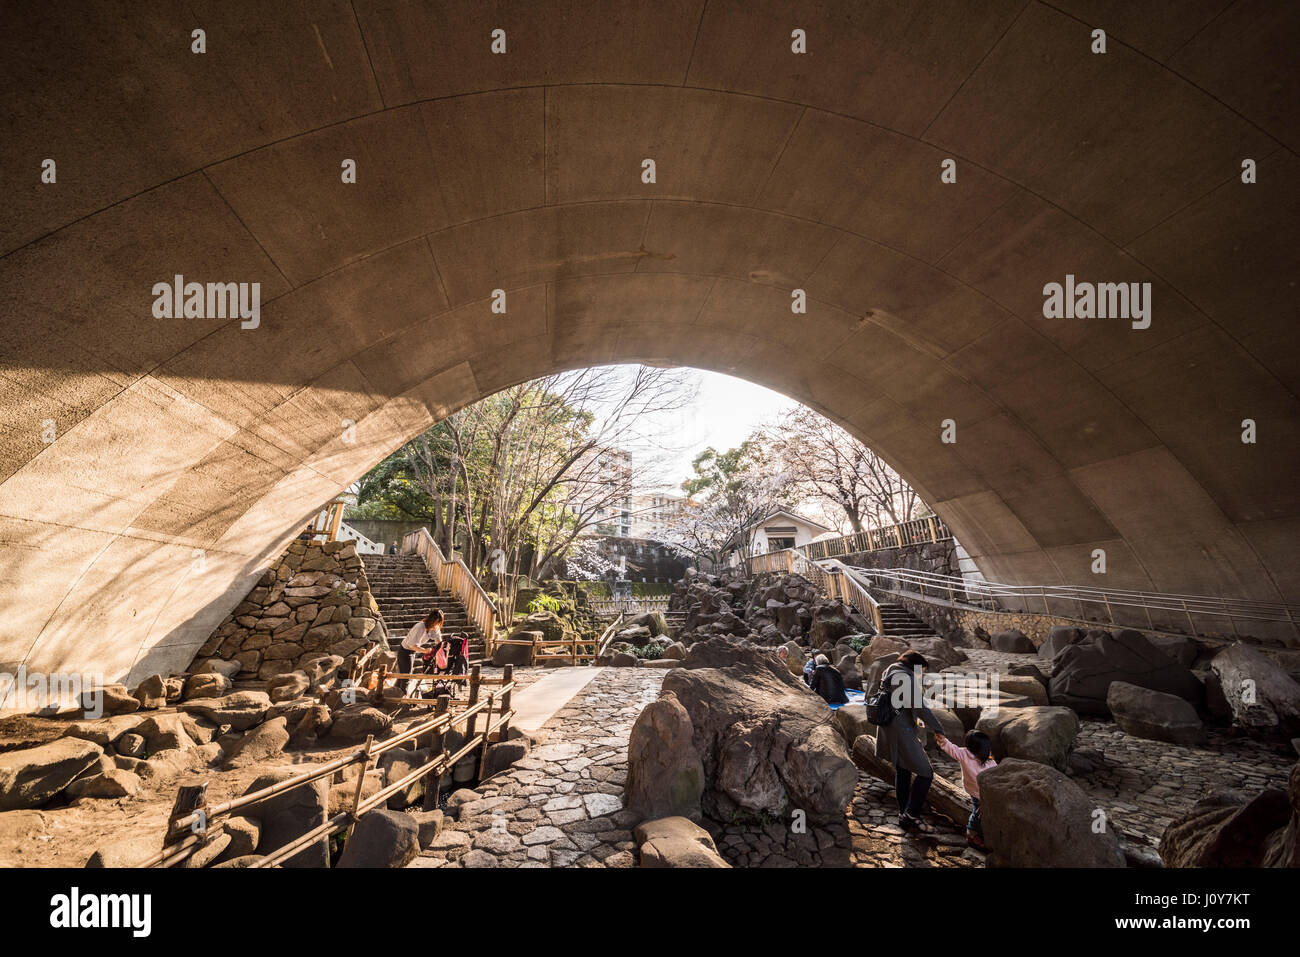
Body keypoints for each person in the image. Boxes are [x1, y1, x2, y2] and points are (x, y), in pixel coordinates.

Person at [873, 650, 944, 833]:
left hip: (889, 725)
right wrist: (938, 728)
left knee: (903, 770)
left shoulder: (891, 670)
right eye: (923, 670)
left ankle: (903, 813)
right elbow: (919, 707)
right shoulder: (905, 678)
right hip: (900, 730)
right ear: (917, 666)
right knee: (926, 772)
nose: (923, 675)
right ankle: (912, 814)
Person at [934, 729, 997, 849]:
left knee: (987, 814)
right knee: (977, 814)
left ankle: (984, 833)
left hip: (988, 794)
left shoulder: (990, 762)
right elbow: (952, 749)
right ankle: (971, 833)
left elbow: (997, 777)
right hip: (975, 792)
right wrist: (943, 741)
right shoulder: (964, 754)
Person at [398, 609, 444, 694]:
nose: (436, 625)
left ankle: (398, 693)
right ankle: (402, 698)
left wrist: (441, 647)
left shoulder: (435, 627)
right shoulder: (420, 627)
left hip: (412, 651)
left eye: (438, 623)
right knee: (406, 676)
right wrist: (425, 651)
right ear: (431, 620)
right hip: (405, 651)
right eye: (435, 622)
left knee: (405, 675)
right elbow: (412, 645)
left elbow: (439, 640)